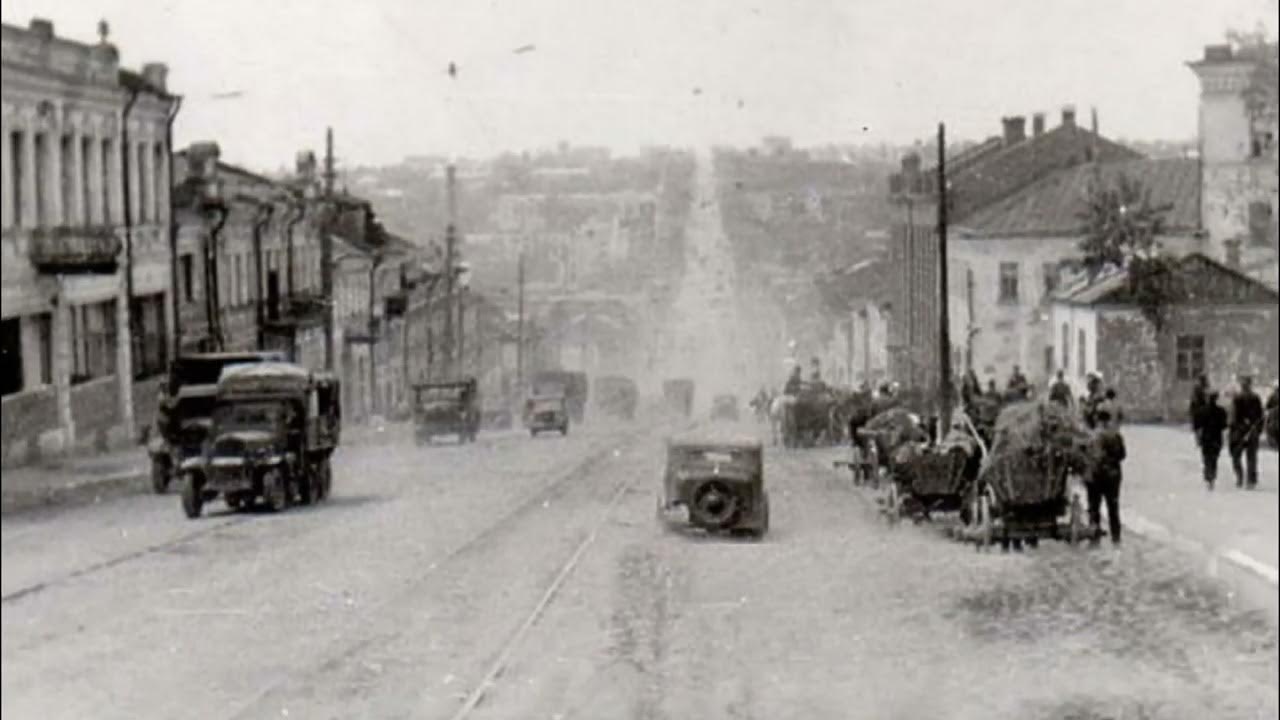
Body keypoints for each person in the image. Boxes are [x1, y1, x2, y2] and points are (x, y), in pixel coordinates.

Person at [1087, 409, 1127, 546]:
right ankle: (1116, 538)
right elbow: (1123, 455)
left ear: (1097, 420)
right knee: (1113, 508)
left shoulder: (1093, 436)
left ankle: (1094, 537)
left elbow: (1092, 456)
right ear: (1108, 420)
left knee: (1094, 508)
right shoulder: (1116, 435)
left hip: (1096, 476)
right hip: (1113, 476)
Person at [1229, 375, 1264, 489]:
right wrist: (1258, 429)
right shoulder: (1256, 398)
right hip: (1252, 431)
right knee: (1251, 457)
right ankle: (1250, 480)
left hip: (1240, 431)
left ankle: (1240, 477)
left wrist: (1232, 429)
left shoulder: (1237, 399)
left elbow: (1233, 417)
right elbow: (1261, 416)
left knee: (1236, 455)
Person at [1196, 390, 1228, 489]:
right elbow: (1224, 426)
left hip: (1205, 438)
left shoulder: (1201, 410)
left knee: (1206, 458)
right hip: (1216, 438)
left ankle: (1208, 477)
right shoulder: (1221, 411)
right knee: (1214, 459)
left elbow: (1198, 426)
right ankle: (1212, 477)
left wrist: (1198, 439)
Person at [1189, 374, 1210, 439]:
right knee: (1199, 425)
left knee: (1199, 425)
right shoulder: (1200, 388)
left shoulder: (1203, 387)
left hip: (1200, 409)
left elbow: (1194, 399)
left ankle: (1200, 438)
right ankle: (1200, 437)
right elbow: (1194, 398)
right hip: (1200, 408)